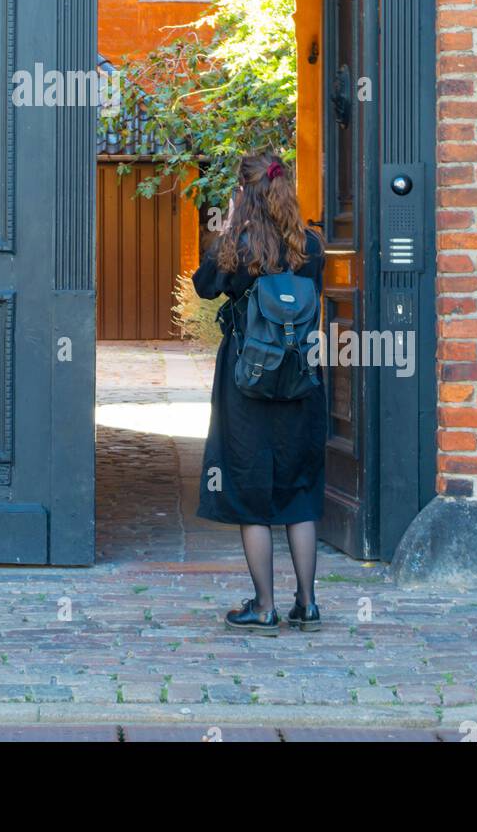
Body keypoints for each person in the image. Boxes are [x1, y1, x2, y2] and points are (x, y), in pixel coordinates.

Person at [194, 152, 326, 634]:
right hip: (301, 377)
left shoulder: (238, 247)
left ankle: (264, 606)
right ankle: (307, 604)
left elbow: (205, 286)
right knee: (300, 490)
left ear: (243, 193)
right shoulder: (311, 246)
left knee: (252, 489)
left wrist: (229, 226)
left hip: (248, 380)